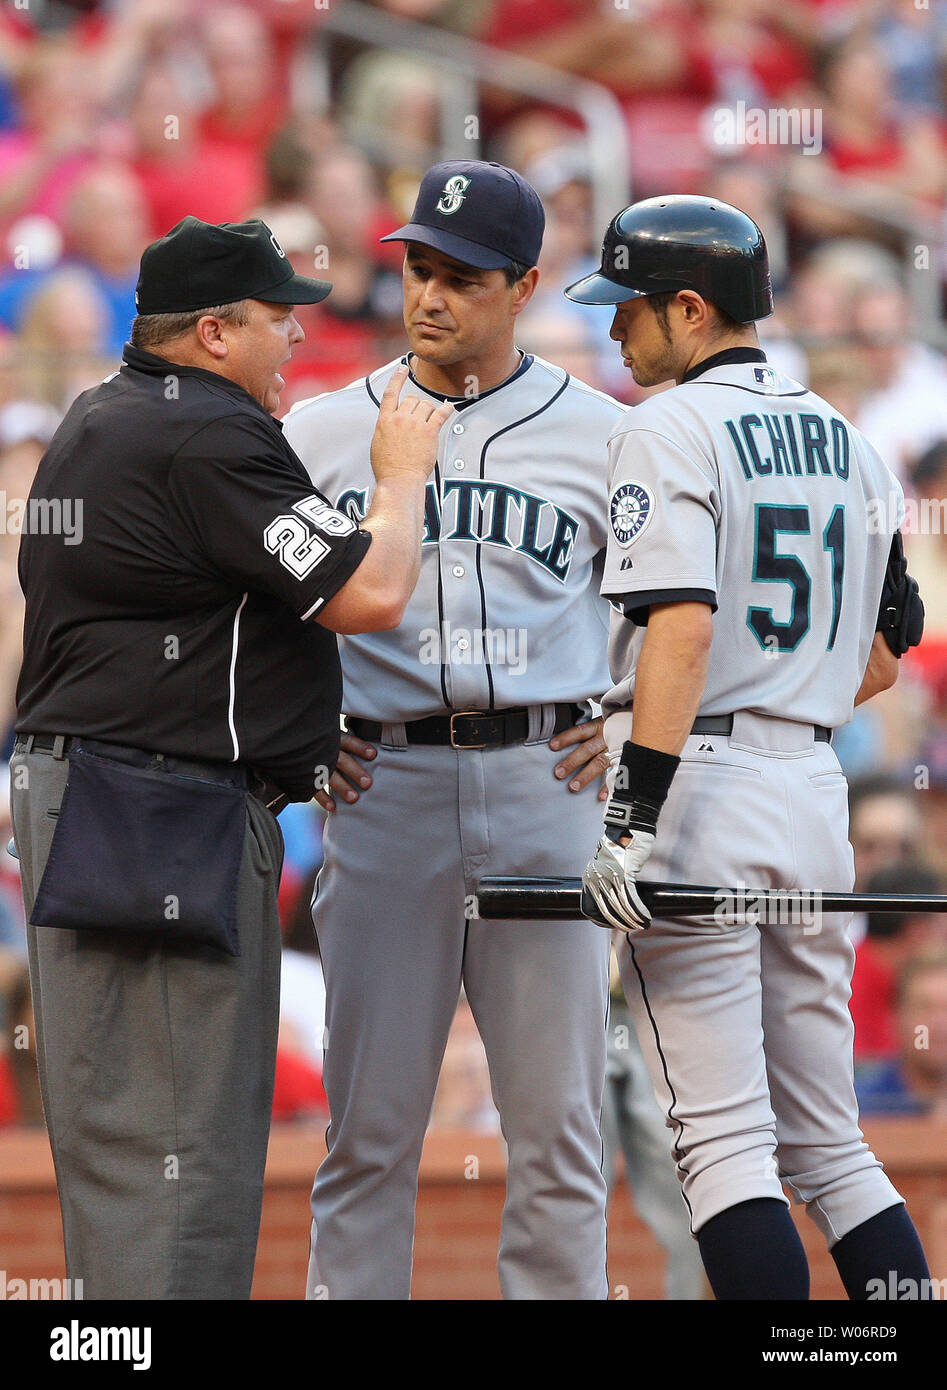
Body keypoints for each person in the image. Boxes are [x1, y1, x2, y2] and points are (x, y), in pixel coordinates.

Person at [10, 214, 452, 1299]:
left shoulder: (102, 416)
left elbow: (180, 626)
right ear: (212, 333)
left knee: (128, 1146)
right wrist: (399, 476)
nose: (295, 338)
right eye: (275, 318)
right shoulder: (205, 432)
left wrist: (293, 738)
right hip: (158, 813)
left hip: (107, 796)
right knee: (183, 1152)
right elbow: (372, 592)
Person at [566, 194, 932, 1300]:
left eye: (629, 307)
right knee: (829, 1142)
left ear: (690, 307)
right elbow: (885, 648)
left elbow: (679, 625)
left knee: (724, 1144)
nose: (615, 331)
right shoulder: (851, 438)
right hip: (811, 785)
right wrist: (793, 686)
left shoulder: (663, 425)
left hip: (698, 791)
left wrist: (631, 817)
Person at [283, 159, 623, 1300]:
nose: (429, 295)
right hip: (387, 785)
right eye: (416, 267)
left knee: (560, 1129)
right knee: (369, 1130)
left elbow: (680, 616)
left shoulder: (601, 434)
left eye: (461, 276)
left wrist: (624, 722)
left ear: (524, 283)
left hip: (545, 776)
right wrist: (300, 725)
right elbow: (250, 611)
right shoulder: (322, 428)